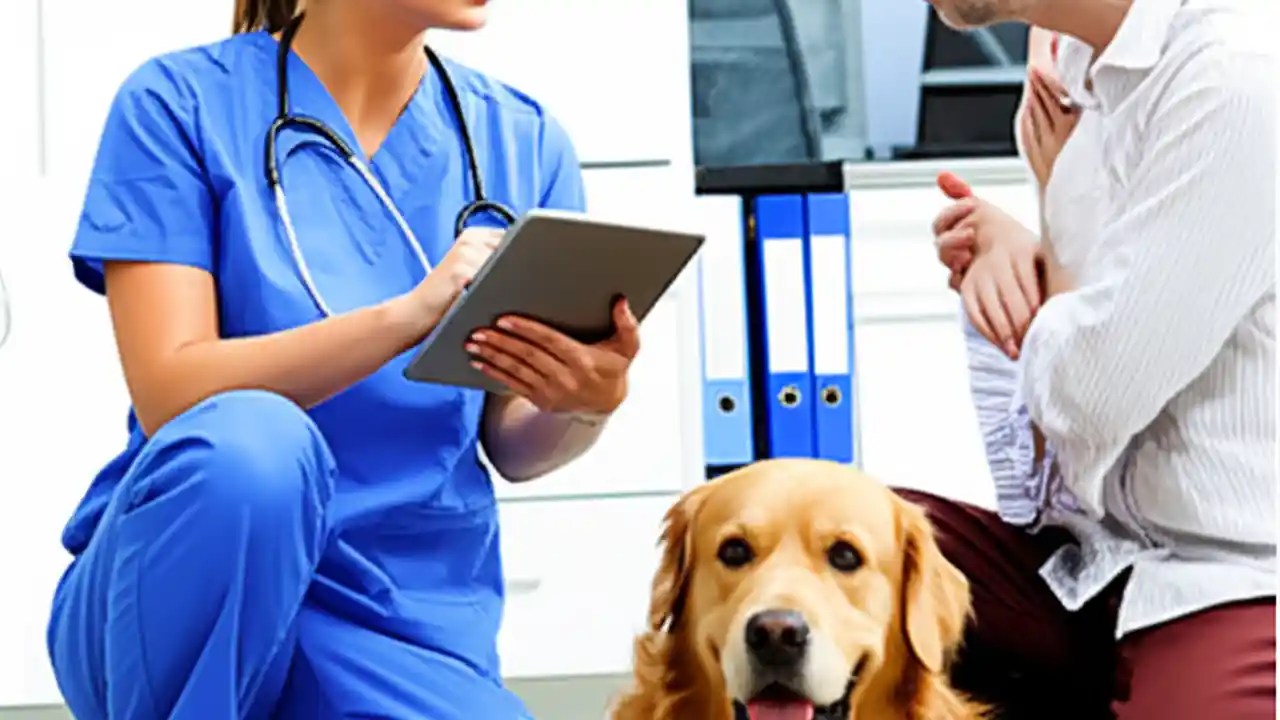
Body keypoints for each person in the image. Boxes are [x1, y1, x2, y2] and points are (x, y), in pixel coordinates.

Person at [44, 1, 643, 718]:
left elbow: (513, 445)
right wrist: (406, 317)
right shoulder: (176, 105)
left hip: (397, 620)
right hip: (181, 587)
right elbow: (171, 391)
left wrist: (584, 400)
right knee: (253, 446)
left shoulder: (522, 143)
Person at [904, 1, 1276, 718]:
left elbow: (1089, 396)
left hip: (1234, 574)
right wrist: (1018, 251)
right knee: (802, 550)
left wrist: (1048, 280)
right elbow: (1045, 469)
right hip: (1098, 555)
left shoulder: (1235, 77)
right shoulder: (1077, 79)